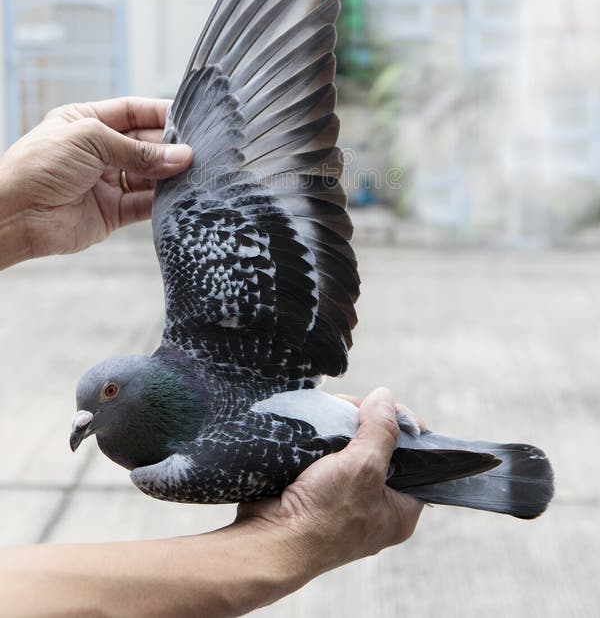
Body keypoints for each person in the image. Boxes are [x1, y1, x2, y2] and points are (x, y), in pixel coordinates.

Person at [0, 98, 423, 617]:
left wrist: (18, 212)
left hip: (319, 419)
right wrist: (297, 536)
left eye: (109, 393)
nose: (86, 417)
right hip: (327, 427)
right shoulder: (159, 467)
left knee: (185, 196)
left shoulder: (197, 326)